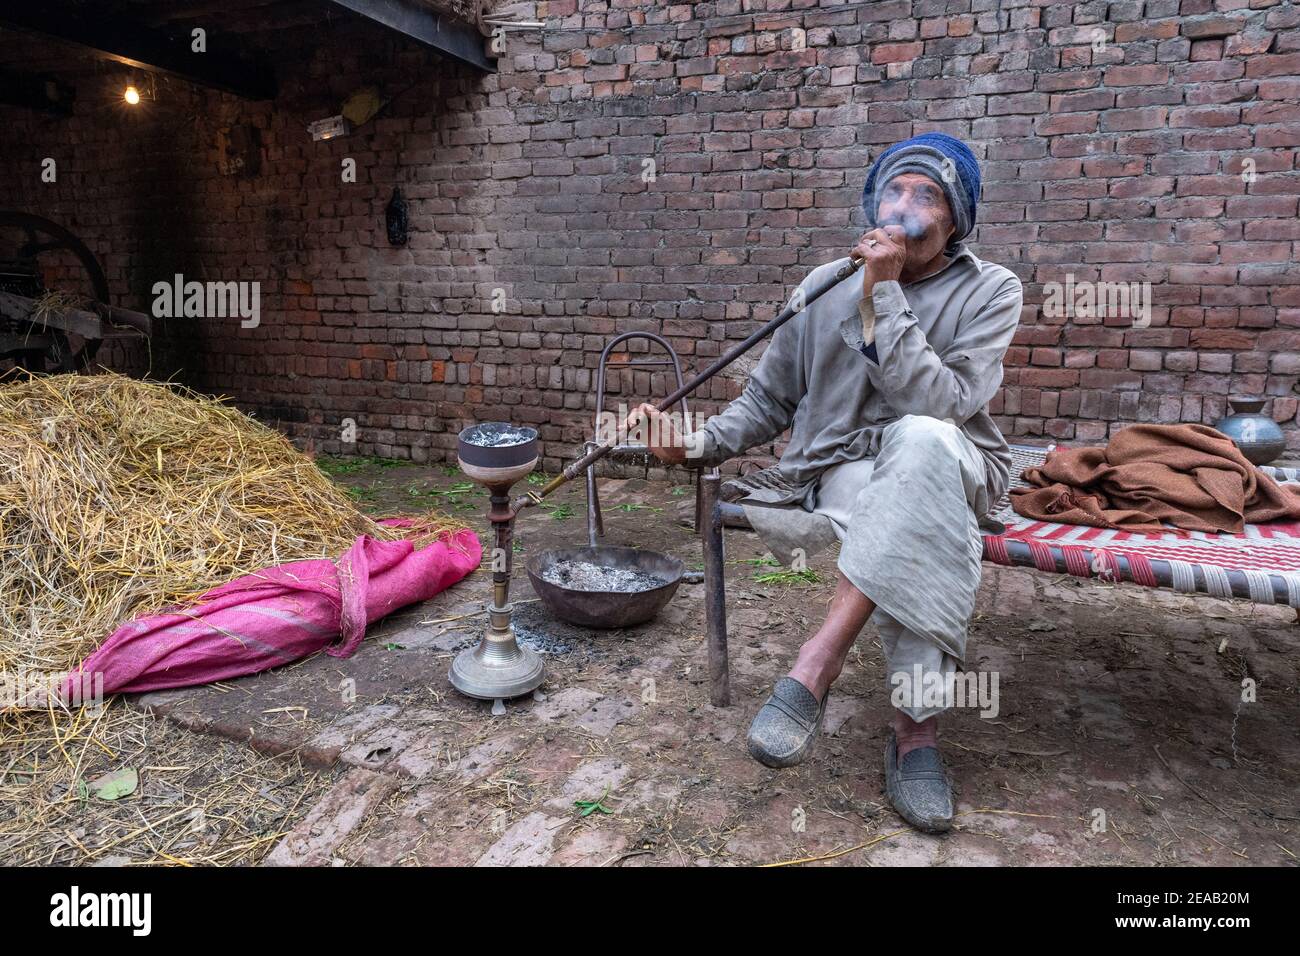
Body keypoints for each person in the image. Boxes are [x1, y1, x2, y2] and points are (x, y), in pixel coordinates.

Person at [626, 133, 1024, 833]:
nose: (903, 207)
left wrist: (889, 295)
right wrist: (689, 444)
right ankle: (915, 734)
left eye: (925, 195)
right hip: (844, 470)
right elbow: (768, 401)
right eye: (894, 191)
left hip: (955, 457)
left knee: (922, 444)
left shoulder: (991, 290)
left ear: (955, 217)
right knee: (918, 525)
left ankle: (818, 660)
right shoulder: (822, 285)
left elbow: (942, 406)